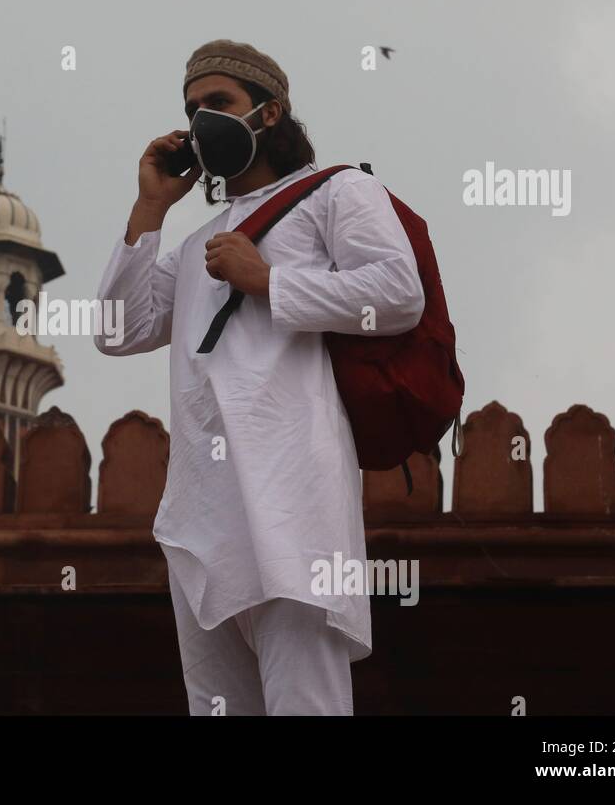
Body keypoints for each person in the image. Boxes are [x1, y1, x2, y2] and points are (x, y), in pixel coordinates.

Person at [93, 39, 425, 715]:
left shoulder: (337, 192)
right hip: (199, 520)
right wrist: (150, 209)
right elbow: (116, 330)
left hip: (292, 506)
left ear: (270, 113)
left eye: (219, 103)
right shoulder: (194, 247)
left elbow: (397, 292)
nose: (201, 121)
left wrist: (269, 281)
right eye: (191, 110)